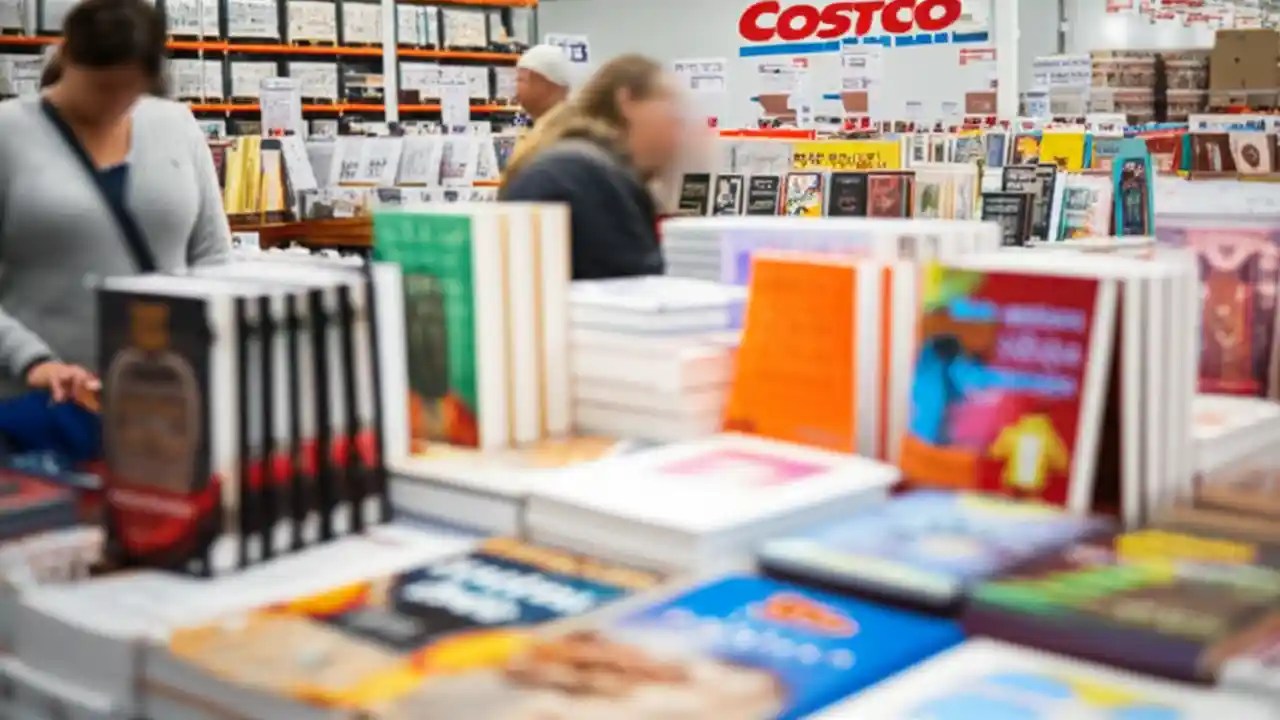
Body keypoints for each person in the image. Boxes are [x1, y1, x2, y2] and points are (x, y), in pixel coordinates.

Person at [0, 0, 230, 403]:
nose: (115, 103)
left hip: (167, 400)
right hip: (38, 401)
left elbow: (213, 257)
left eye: (131, 90)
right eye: (102, 87)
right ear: (67, 55)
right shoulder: (9, 133)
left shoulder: (175, 125)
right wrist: (32, 360)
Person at [501, 54, 682, 279]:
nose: (678, 127)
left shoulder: (571, 161)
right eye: (670, 109)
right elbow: (637, 291)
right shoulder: (591, 180)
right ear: (627, 102)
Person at [501, 44, 573, 190]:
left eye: (521, 80)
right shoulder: (534, 130)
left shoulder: (567, 134)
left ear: (546, 84)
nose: (515, 89)